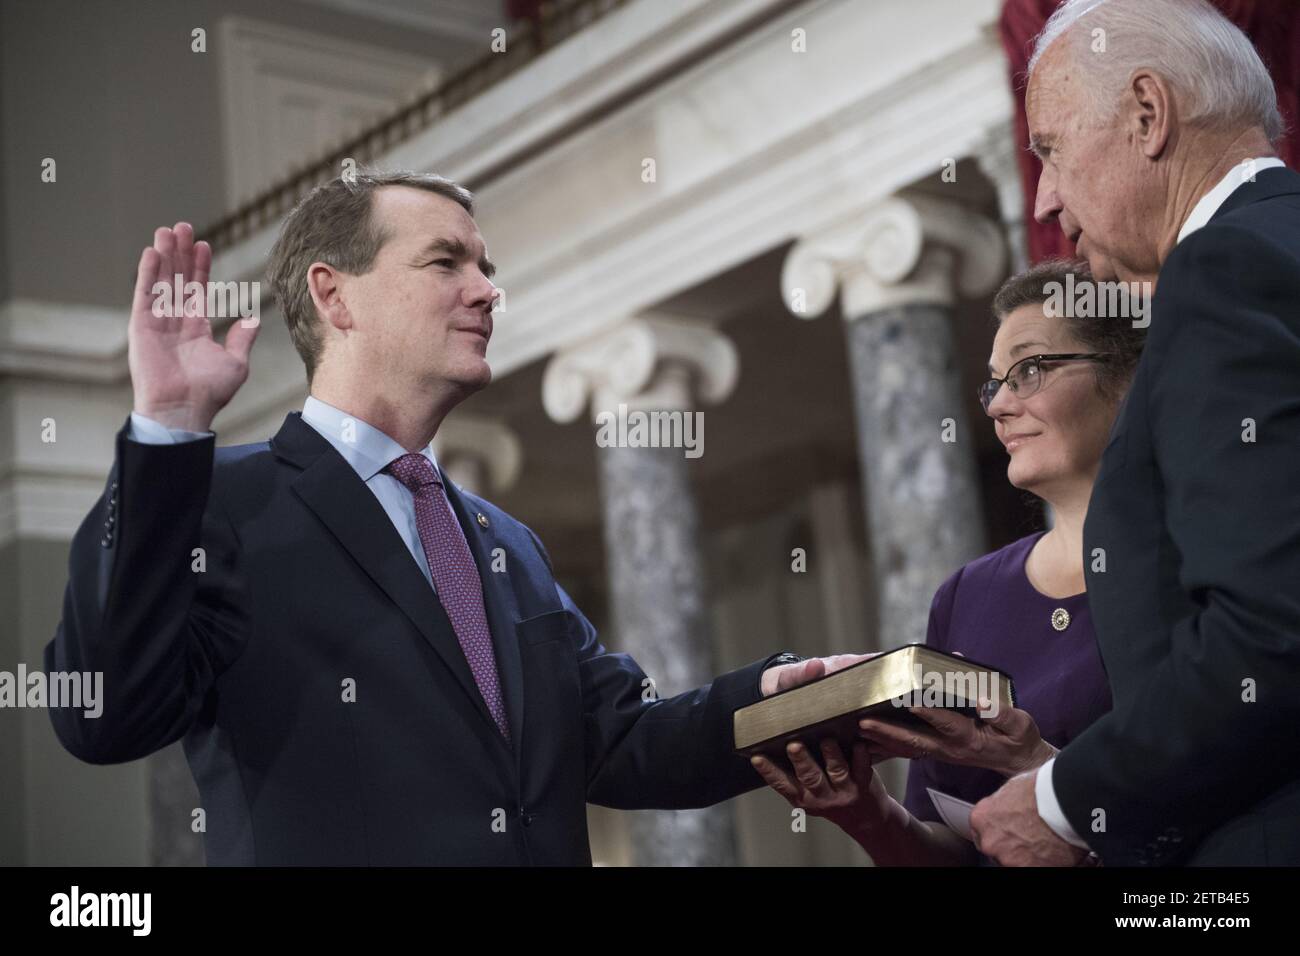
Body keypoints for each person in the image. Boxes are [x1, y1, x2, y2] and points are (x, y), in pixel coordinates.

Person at [44, 170, 856, 865]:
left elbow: (618, 740)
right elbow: (101, 716)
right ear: (334, 295)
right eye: (446, 261)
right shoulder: (224, 503)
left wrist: (777, 699)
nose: (486, 289)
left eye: (485, 267)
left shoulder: (510, 545)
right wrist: (168, 428)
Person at [971, 0, 1300, 866]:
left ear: (1148, 115)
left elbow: (1272, 630)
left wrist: (1065, 800)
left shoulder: (1222, 273)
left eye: (1050, 148)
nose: (1044, 194)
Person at [750, 259, 1142, 864]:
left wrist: (1037, 770)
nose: (998, 406)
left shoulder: (1189, 565)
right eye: (994, 383)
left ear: (1125, 377)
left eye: (1030, 370)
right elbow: (951, 851)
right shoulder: (968, 595)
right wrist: (869, 814)